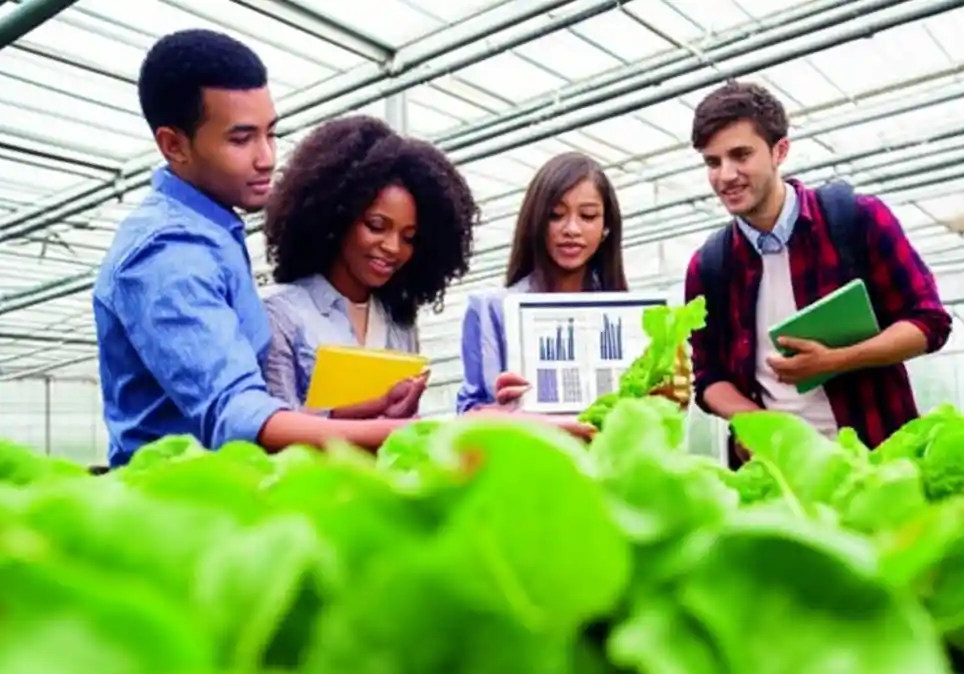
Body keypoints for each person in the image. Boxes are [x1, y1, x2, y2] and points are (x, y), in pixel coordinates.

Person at [92, 30, 588, 467]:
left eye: (271, 133)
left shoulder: (213, 232)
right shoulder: (167, 253)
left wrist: (362, 414)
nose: (267, 158)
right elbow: (239, 417)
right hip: (176, 519)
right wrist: (462, 431)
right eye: (241, 139)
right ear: (173, 144)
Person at [682, 80, 952, 465]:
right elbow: (709, 378)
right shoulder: (710, 266)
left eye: (740, 155)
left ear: (780, 150)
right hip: (777, 471)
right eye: (712, 162)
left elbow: (929, 321)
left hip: (875, 461)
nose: (726, 175)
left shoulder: (856, 220)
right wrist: (760, 425)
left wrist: (837, 360)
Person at [261, 115, 475, 420]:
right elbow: (270, 428)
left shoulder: (400, 324)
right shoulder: (280, 314)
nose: (392, 247)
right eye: (376, 226)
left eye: (409, 237)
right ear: (337, 216)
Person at [455, 152, 629, 412]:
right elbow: (467, 413)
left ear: (607, 227)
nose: (572, 229)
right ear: (535, 221)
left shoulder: (629, 319)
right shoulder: (491, 311)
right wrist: (501, 412)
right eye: (556, 215)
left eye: (588, 216)